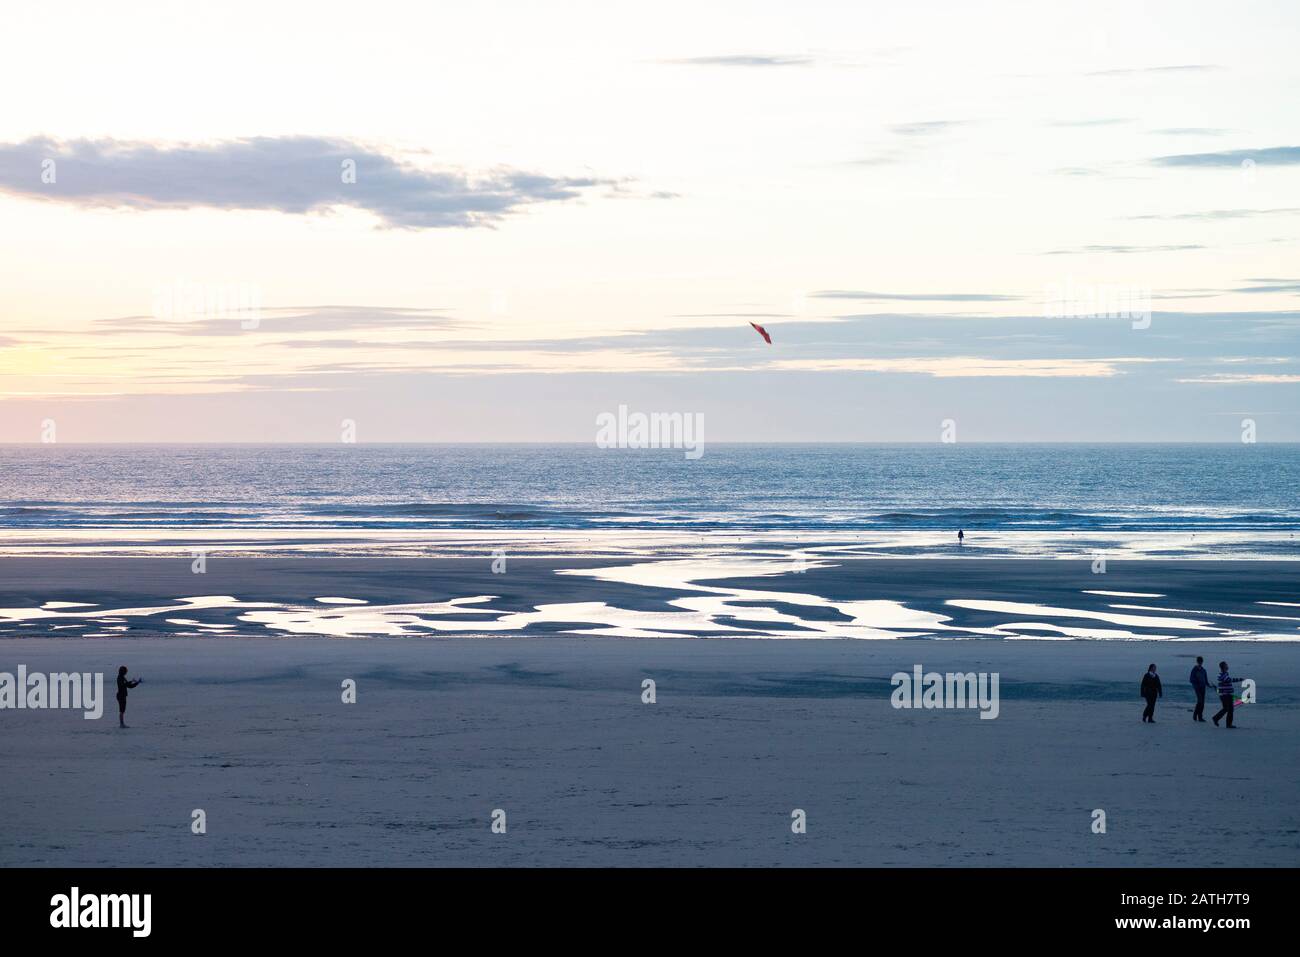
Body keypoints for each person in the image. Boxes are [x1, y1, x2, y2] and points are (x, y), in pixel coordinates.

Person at [1212, 661, 1243, 728]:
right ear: (1224, 667)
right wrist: (1240, 679)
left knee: (1227, 709)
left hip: (1226, 695)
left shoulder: (1224, 674)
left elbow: (1228, 680)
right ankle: (1224, 722)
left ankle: (1219, 720)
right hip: (1225, 695)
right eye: (1226, 665)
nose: (1227, 666)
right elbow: (1229, 680)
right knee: (1229, 709)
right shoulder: (1222, 675)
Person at [1189, 656, 1209, 722]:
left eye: (1201, 662)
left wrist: (1209, 685)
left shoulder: (1204, 670)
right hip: (1197, 688)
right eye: (1199, 661)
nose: (1200, 663)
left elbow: (1206, 680)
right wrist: (1196, 684)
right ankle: (1195, 714)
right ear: (1197, 662)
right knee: (1200, 701)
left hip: (1203, 687)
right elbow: (1191, 679)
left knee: (1202, 702)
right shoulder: (1194, 670)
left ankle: (1199, 716)